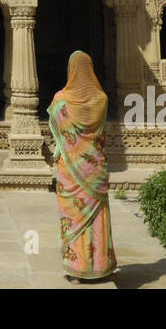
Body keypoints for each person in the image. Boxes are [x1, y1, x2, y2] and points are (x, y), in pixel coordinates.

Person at [47, 50, 118, 282]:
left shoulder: (61, 100)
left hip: (70, 168)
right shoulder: (102, 99)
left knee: (74, 216)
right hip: (95, 168)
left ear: (72, 71)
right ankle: (99, 266)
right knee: (97, 217)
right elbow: (100, 133)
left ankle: (77, 269)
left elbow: (57, 128)